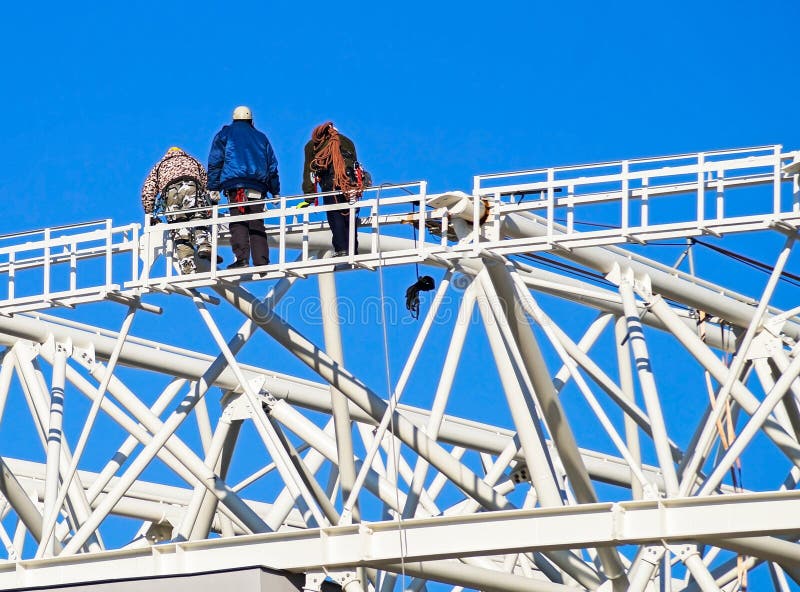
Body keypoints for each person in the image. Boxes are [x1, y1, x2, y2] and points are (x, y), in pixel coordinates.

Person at [207, 106, 281, 270]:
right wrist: (274, 190)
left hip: (235, 186)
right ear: (251, 120)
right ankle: (262, 261)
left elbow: (215, 162)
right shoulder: (261, 137)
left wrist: (213, 187)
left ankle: (242, 260)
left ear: (234, 118)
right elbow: (272, 167)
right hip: (258, 186)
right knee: (256, 222)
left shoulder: (225, 134)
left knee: (238, 222)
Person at [141, 146, 219, 275]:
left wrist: (149, 213)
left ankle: (187, 265)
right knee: (198, 216)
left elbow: (148, 190)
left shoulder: (159, 166)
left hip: (170, 194)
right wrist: (211, 205)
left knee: (179, 228)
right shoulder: (193, 161)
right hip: (192, 188)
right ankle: (203, 244)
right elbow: (207, 184)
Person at [302, 122, 371, 257]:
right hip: (349, 183)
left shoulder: (312, 146)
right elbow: (355, 164)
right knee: (349, 217)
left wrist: (309, 196)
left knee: (335, 216)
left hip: (331, 182)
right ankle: (352, 250)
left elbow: (309, 172)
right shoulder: (347, 141)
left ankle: (341, 250)